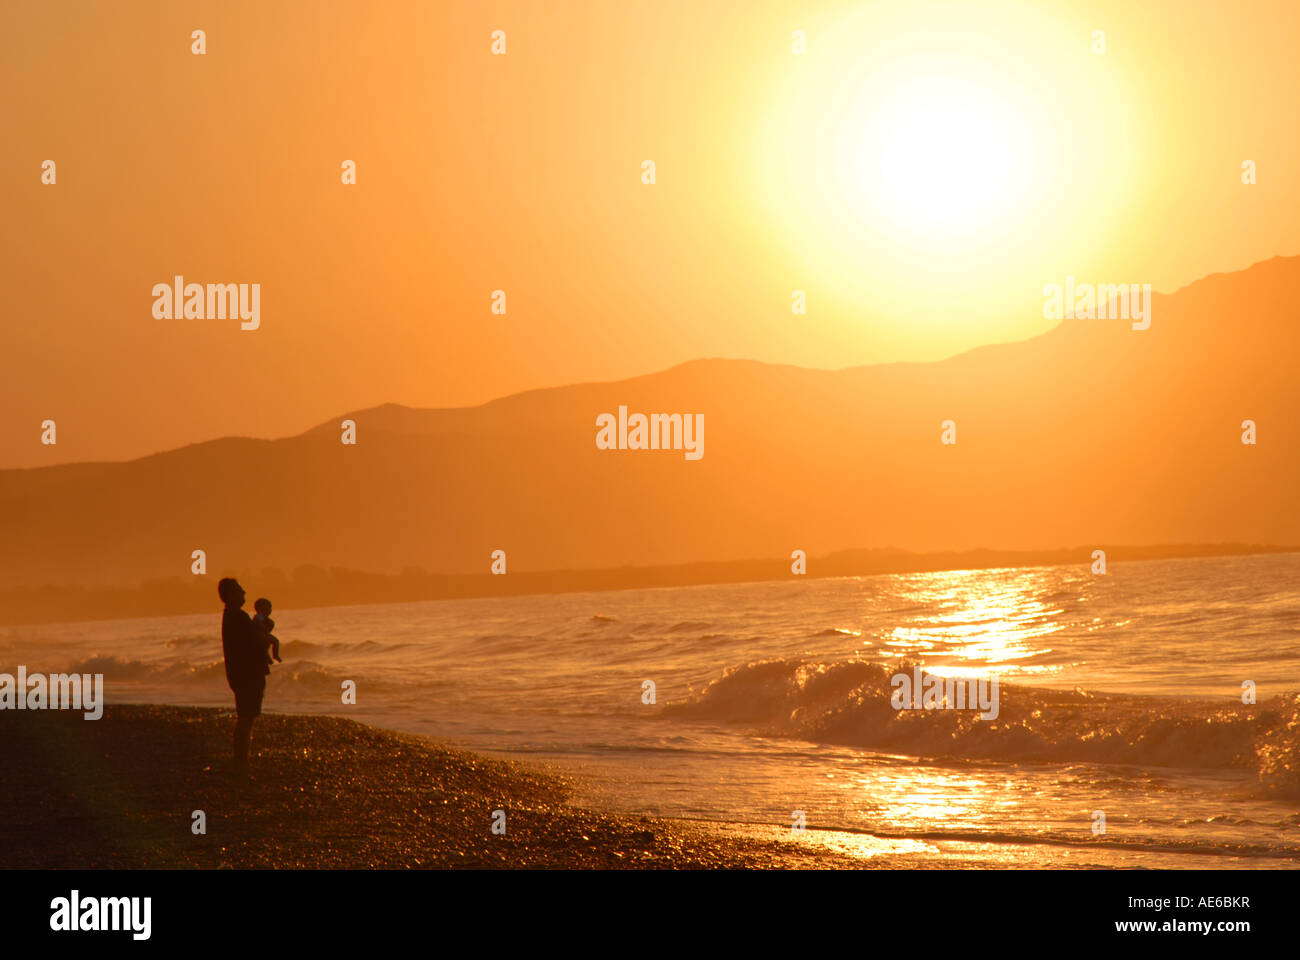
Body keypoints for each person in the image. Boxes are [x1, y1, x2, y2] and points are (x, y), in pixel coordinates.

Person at [218, 577, 270, 780]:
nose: (244, 593)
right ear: (231, 595)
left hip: (242, 673)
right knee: (246, 717)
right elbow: (257, 642)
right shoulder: (237, 617)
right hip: (247, 674)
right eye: (240, 590)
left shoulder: (233, 616)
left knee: (246, 717)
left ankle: (241, 761)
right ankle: (241, 763)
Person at [252, 597, 282, 664]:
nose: (270, 610)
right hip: (261, 635)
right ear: (261, 609)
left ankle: (273, 658)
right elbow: (257, 623)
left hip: (264, 635)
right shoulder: (259, 616)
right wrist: (264, 627)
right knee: (275, 641)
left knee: (267, 651)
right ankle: (275, 656)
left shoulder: (264, 617)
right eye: (268, 608)